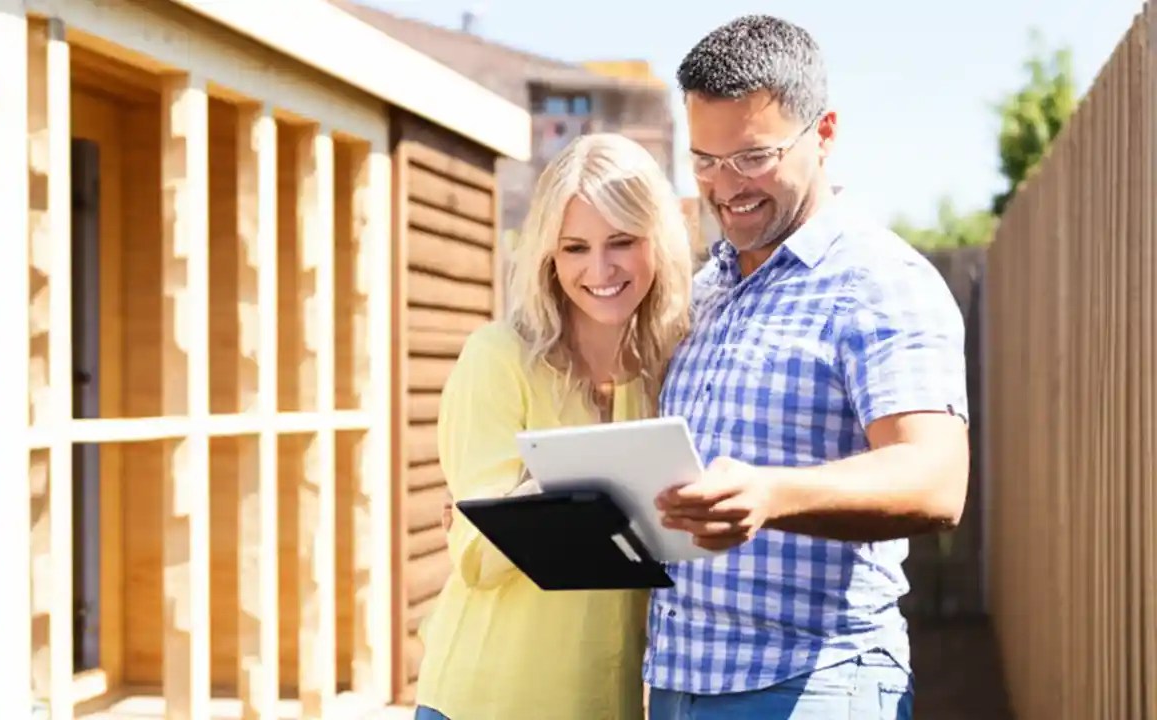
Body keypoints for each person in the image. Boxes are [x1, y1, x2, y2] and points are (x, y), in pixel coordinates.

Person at [645, 15, 970, 720]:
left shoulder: (880, 281)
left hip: (811, 686)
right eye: (704, 159)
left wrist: (773, 494)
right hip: (681, 683)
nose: (724, 186)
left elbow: (936, 478)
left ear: (823, 134)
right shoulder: (707, 291)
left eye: (752, 157)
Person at [413, 132, 694, 720]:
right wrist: (573, 491)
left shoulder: (670, 372)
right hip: (482, 699)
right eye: (574, 248)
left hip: (603, 702)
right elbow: (476, 556)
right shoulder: (498, 357)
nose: (600, 269)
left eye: (622, 241)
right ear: (548, 254)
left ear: (658, 243)